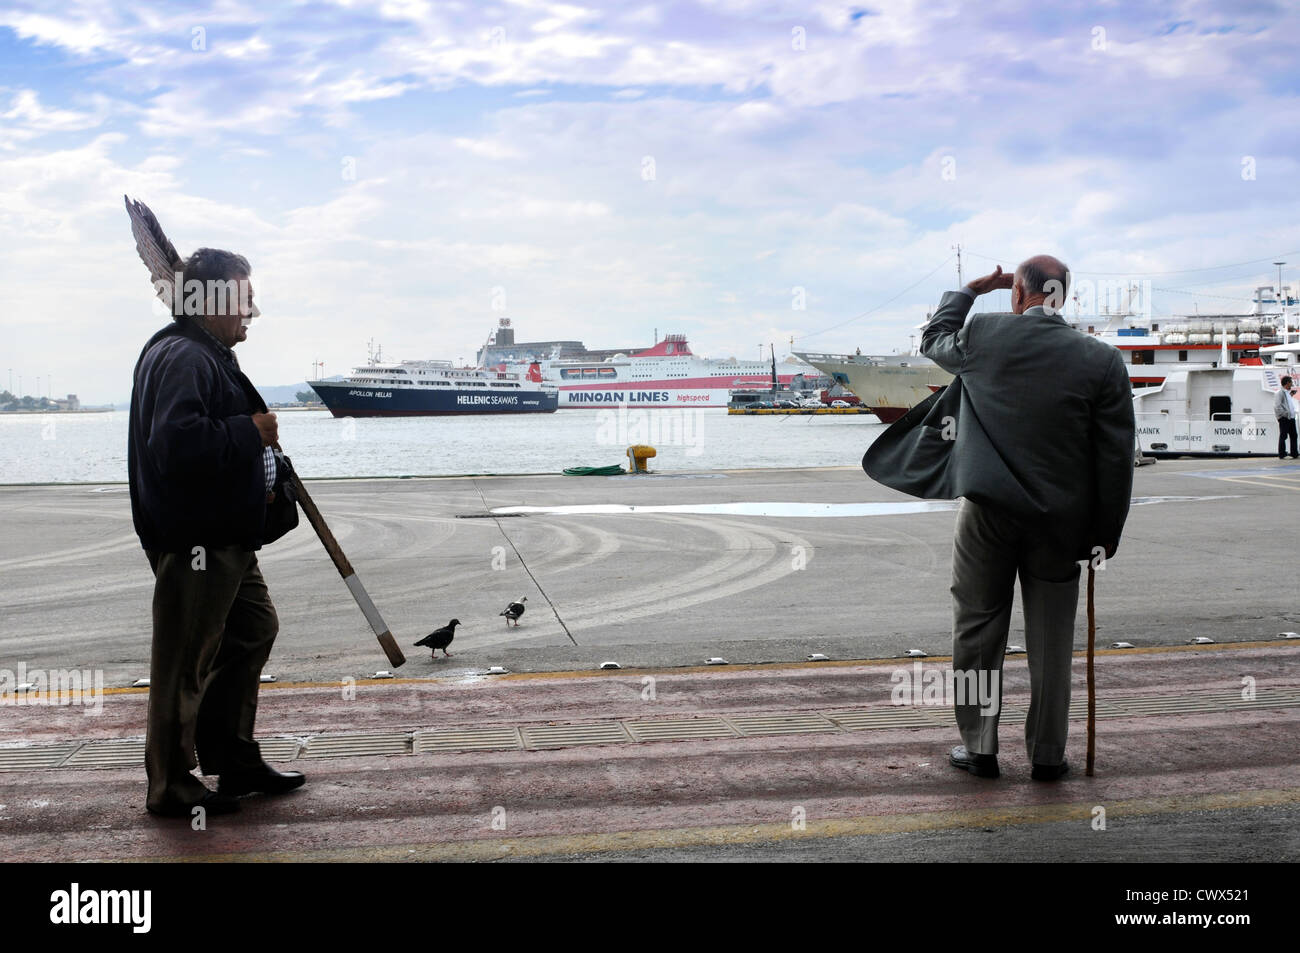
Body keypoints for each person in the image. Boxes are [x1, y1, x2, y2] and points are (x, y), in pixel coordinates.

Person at [918, 256, 1135, 781]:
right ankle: (1047, 754)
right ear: (1065, 296)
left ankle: (981, 747)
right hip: (1061, 523)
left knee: (976, 628)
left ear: (1018, 294)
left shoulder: (986, 333)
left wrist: (970, 290)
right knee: (1053, 640)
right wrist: (1103, 537)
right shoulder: (1101, 360)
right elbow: (1114, 458)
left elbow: (933, 339)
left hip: (987, 513)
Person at [128, 247, 305, 817]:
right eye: (246, 298)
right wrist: (248, 430)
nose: (253, 310)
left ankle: (233, 757)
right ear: (214, 299)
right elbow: (176, 445)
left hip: (227, 536)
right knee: (185, 660)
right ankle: (172, 786)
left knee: (253, 629)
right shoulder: (184, 356)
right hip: (197, 540)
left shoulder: (204, 353)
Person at [1275, 375, 1297, 460]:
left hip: (1291, 417)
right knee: (1283, 435)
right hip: (1285, 418)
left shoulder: (1287, 392)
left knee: (1294, 435)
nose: (1292, 384)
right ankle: (1282, 453)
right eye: (1291, 382)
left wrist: (1291, 395)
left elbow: (1286, 403)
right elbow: (1277, 406)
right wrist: (1283, 415)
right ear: (1287, 383)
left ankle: (1294, 453)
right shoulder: (1279, 393)